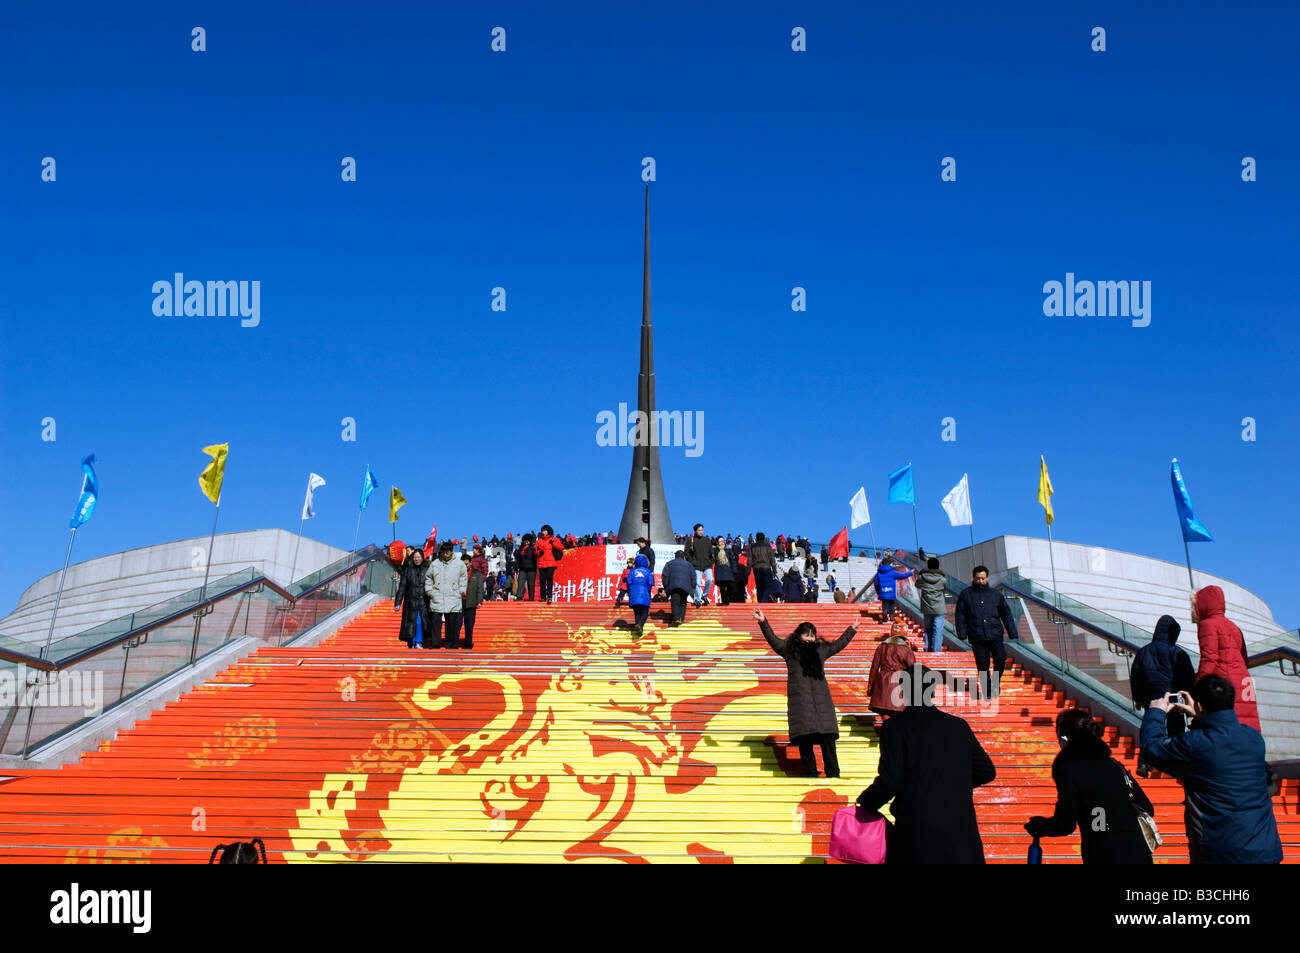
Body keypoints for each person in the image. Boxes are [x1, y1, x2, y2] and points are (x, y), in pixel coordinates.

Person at [856, 665, 996, 863]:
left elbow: (891, 780)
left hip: (917, 833)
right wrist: (950, 782)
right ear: (932, 690)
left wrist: (867, 802)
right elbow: (986, 771)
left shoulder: (895, 728)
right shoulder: (958, 726)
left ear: (903, 691)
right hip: (961, 834)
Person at [1141, 675, 1282, 864]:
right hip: (1264, 849)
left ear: (1199, 705)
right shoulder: (1253, 738)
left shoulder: (1195, 745)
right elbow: (1218, 743)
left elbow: (1151, 749)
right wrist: (1200, 718)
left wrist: (1155, 713)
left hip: (1220, 851)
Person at [1025, 708, 1154, 864]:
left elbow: (1065, 824)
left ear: (1066, 739)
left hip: (1103, 854)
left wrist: (1040, 826)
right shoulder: (1114, 766)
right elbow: (1147, 807)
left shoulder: (1070, 769)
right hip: (1138, 852)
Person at [755, 609, 859, 778]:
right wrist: (763, 622)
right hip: (801, 703)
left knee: (828, 740)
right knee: (805, 740)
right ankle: (810, 773)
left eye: (812, 635)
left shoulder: (821, 650)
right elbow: (773, 640)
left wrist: (851, 630)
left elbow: (838, 644)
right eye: (806, 635)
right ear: (799, 636)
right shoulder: (790, 650)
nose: (810, 639)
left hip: (822, 703)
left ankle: (833, 773)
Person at [1130, 615, 1196, 776]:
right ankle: (1176, 764)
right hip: (1173, 697)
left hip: (1151, 696)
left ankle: (1145, 763)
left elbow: (1136, 675)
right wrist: (1188, 698)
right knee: (1176, 728)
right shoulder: (1177, 652)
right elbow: (1188, 677)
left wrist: (1137, 697)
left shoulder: (1144, 651)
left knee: (1150, 725)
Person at [1191, 585, 1261, 731]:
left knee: (1224, 728)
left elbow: (1209, 659)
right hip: (1243, 681)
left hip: (1223, 683)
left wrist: (1196, 688)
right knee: (1247, 724)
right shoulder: (1233, 626)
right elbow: (1244, 659)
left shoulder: (1208, 624)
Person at [953, 565, 1019, 698]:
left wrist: (1012, 632)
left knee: (1001, 658)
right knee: (982, 664)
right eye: (978, 579)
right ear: (973, 578)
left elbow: (1006, 614)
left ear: (987, 578)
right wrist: (961, 632)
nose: (980, 581)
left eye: (983, 579)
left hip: (995, 633)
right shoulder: (966, 594)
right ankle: (988, 691)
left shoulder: (995, 594)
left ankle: (995, 682)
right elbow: (960, 615)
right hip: (977, 635)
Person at [424, 541, 468, 649]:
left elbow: (463, 579)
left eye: (447, 552)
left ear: (452, 551)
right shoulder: (435, 563)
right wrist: (430, 591)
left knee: (451, 623)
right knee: (435, 623)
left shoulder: (459, 564)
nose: (445, 554)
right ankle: (435, 644)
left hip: (453, 597)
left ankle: (450, 645)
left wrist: (461, 591)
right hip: (437, 596)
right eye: (443, 552)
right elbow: (428, 578)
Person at [867, 634, 918, 717]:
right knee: (898, 717)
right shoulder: (907, 650)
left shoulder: (882, 647)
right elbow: (914, 671)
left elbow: (874, 668)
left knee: (885, 715)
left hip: (882, 685)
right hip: (900, 686)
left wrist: (870, 688)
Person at [394, 548, 431, 648]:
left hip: (423, 602)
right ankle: (411, 643)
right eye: (415, 557)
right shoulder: (408, 570)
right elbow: (402, 586)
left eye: (419, 557)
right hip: (410, 602)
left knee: (419, 622)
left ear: (422, 558)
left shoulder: (427, 570)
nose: (417, 559)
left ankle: (418, 642)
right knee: (410, 622)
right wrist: (398, 602)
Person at [916, 557, 948, 653]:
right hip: (939, 608)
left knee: (928, 629)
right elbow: (944, 589)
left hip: (927, 607)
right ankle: (936, 651)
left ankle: (927, 649)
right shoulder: (942, 579)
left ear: (928, 566)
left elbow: (917, 585)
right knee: (938, 630)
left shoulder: (922, 577)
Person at [871, 557, 913, 623]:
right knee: (891, 604)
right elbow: (902, 576)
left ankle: (885, 612)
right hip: (891, 592)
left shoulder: (878, 573)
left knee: (885, 604)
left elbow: (876, 583)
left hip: (883, 592)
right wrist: (910, 573)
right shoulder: (892, 572)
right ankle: (892, 616)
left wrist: (878, 592)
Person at [685, 523, 716, 607]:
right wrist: (692, 562)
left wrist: (711, 561)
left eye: (702, 530)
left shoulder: (707, 540)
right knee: (697, 583)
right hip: (696, 566)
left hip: (707, 565)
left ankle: (704, 595)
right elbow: (686, 553)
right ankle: (698, 599)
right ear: (695, 531)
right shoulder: (690, 540)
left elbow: (712, 553)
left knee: (710, 580)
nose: (701, 532)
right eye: (699, 530)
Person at [661, 550, 695, 625]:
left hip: (673, 586)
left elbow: (665, 576)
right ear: (683, 557)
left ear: (675, 556)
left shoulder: (669, 564)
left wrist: (666, 587)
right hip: (686, 587)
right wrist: (692, 589)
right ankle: (681, 618)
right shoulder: (689, 565)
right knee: (683, 602)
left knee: (675, 601)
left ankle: (676, 618)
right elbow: (693, 577)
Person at [626, 553, 654, 639]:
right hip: (644, 594)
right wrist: (647, 590)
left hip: (634, 594)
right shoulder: (648, 572)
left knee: (637, 612)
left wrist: (630, 591)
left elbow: (628, 583)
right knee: (645, 612)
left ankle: (639, 629)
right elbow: (650, 583)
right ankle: (639, 625)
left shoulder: (631, 571)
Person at [535, 524, 565, 603]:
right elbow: (535, 551)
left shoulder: (553, 539)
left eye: (545, 530)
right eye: (542, 531)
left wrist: (553, 543)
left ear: (548, 531)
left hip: (551, 563)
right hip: (541, 563)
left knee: (549, 580)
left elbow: (561, 547)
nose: (543, 532)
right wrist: (538, 552)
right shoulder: (539, 541)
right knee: (542, 580)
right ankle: (543, 597)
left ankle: (549, 597)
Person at [460, 554, 484, 650]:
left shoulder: (476, 573)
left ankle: (468, 644)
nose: (465, 566)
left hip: (471, 602)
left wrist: (479, 601)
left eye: (466, 564)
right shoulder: (457, 573)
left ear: (470, 563)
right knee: (457, 624)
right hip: (459, 601)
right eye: (463, 564)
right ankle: (455, 642)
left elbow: (480, 588)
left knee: (469, 625)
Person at [749, 533, 778, 604]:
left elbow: (750, 559)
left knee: (759, 587)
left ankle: (760, 601)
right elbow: (772, 559)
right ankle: (763, 601)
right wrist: (774, 570)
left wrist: (749, 569)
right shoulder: (768, 546)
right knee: (767, 586)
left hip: (756, 568)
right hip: (766, 568)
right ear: (764, 538)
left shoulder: (753, 547)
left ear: (756, 538)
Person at [712, 537, 736, 605]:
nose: (722, 542)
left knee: (730, 587)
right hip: (720, 571)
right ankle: (724, 602)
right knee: (722, 588)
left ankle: (728, 599)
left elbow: (732, 560)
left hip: (728, 571)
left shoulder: (728, 550)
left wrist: (735, 570)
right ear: (717, 543)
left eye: (723, 541)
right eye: (720, 541)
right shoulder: (715, 550)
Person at [514, 532, 538, 601]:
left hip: (531, 569)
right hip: (522, 568)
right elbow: (518, 559)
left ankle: (531, 598)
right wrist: (516, 567)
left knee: (531, 584)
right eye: (525, 541)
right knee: (520, 582)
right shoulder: (520, 550)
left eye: (527, 541)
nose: (526, 543)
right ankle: (519, 597)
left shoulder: (533, 549)